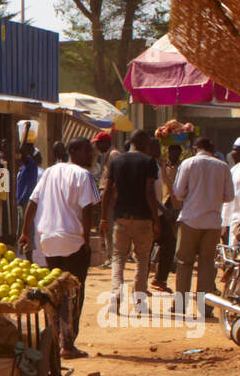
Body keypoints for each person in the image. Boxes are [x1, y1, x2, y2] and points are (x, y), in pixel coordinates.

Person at [19, 136, 100, 359]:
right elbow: (87, 209)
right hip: (73, 240)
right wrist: (85, 238)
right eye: (87, 151)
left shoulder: (50, 173)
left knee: (55, 292)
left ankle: (54, 340)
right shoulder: (84, 175)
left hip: (48, 240)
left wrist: (26, 232)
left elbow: (32, 203)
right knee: (73, 293)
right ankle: (68, 343)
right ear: (74, 151)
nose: (91, 155)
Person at [172, 136, 234, 318]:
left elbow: (178, 192)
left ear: (195, 148)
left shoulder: (188, 164)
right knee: (207, 265)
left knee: (184, 263)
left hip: (190, 220)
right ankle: (204, 308)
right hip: (213, 222)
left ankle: (180, 305)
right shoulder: (222, 166)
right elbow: (229, 196)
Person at [101, 128, 161, 314]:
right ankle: (140, 303)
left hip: (121, 217)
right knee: (142, 259)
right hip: (143, 218)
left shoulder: (116, 161)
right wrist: (156, 219)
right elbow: (149, 193)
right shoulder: (149, 162)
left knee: (118, 258)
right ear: (144, 144)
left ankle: (115, 297)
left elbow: (108, 191)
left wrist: (104, 217)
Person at [151, 142, 182, 293]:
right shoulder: (159, 165)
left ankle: (160, 277)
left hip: (172, 205)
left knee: (170, 240)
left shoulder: (181, 166)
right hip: (160, 206)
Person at [90, 131, 114, 262]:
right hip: (106, 196)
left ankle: (112, 258)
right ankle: (110, 257)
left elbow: (115, 178)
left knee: (109, 226)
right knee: (106, 227)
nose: (97, 146)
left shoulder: (113, 155)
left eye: (99, 143)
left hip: (110, 196)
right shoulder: (107, 155)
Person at [15, 140, 42, 239]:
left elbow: (21, 150)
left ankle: (28, 252)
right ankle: (25, 251)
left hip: (26, 199)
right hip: (22, 200)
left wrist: (25, 132)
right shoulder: (25, 167)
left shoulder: (31, 163)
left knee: (27, 229)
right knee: (22, 227)